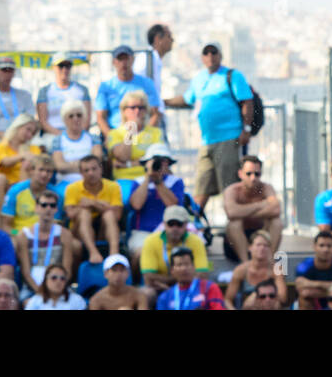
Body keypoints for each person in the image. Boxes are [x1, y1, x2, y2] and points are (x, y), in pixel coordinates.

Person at [167, 42, 252, 215]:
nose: (211, 56)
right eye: (207, 53)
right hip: (207, 140)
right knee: (202, 186)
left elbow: (247, 101)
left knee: (229, 189)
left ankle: (234, 229)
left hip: (228, 137)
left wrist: (247, 129)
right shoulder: (199, 79)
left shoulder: (232, 76)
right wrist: (162, 102)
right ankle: (195, 224)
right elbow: (186, 99)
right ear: (202, 58)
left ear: (220, 55)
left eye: (214, 52)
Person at [139, 206, 211, 301]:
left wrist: (175, 284)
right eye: (171, 224)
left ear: (186, 225)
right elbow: (148, 276)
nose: (175, 228)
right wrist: (178, 280)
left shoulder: (196, 241)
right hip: (161, 287)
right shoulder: (151, 240)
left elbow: (202, 274)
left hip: (188, 287)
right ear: (164, 224)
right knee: (146, 294)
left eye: (179, 224)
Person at [63, 154, 123, 264]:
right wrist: (100, 205)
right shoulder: (72, 188)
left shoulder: (113, 186)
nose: (91, 173)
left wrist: (92, 203)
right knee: (84, 213)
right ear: (81, 173)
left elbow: (117, 215)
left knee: (109, 215)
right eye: (86, 170)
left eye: (94, 169)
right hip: (79, 231)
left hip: (102, 230)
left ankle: (114, 254)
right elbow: (70, 214)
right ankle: (93, 252)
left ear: (101, 169)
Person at [127, 143, 184, 258]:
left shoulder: (175, 182)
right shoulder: (138, 182)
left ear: (168, 163)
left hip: (170, 233)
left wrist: (158, 182)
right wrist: (148, 178)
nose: (160, 164)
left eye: (163, 160)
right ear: (147, 162)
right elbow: (136, 205)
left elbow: (173, 207)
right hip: (142, 233)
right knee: (141, 254)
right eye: (155, 160)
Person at [223, 155, 283, 261]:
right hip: (235, 244)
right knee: (234, 224)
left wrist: (243, 212)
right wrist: (260, 205)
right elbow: (231, 213)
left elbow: (276, 210)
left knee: (277, 222)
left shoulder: (266, 188)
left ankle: (269, 261)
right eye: (249, 173)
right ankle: (245, 264)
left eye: (257, 174)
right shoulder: (232, 190)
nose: (253, 178)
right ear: (240, 174)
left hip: (261, 237)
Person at [95, 44, 160, 138]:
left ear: (132, 60)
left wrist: (145, 136)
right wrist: (111, 138)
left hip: (142, 133)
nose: (123, 63)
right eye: (120, 59)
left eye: (126, 59)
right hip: (115, 133)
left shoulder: (147, 83)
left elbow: (155, 114)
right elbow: (100, 117)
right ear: (114, 62)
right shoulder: (106, 87)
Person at [16, 188, 74, 293]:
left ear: (56, 209)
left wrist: (55, 290)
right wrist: (40, 292)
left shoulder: (65, 234)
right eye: (44, 205)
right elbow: (26, 272)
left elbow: (67, 270)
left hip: (58, 284)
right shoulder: (24, 235)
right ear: (36, 208)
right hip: (32, 287)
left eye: (52, 205)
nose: (48, 208)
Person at [0, 112, 43, 215]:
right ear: (18, 126)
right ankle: (0, 222)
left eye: (32, 133)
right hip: (7, 184)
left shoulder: (34, 149)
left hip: (27, 184)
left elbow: (39, 166)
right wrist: (22, 156)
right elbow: (4, 162)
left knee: (27, 166)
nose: (29, 135)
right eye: (28, 129)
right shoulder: (0, 146)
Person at [106, 91, 164, 179]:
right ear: (124, 110)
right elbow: (123, 156)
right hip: (125, 179)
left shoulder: (156, 132)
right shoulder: (114, 133)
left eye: (141, 107)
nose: (137, 111)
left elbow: (158, 161)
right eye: (133, 107)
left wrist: (128, 164)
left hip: (150, 178)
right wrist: (131, 131)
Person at [225, 229, 286, 309]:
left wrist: (260, 296)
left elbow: (283, 298)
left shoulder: (276, 269)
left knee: (275, 303)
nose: (262, 248)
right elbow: (227, 299)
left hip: (269, 307)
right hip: (248, 307)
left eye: (266, 245)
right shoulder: (241, 270)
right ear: (250, 247)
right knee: (250, 302)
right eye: (258, 245)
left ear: (270, 249)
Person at [36, 53, 92, 139]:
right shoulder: (45, 91)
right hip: (53, 135)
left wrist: (75, 136)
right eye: (61, 66)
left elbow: (87, 120)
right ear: (53, 67)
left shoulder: (82, 90)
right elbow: (43, 121)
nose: (64, 69)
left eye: (68, 66)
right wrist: (63, 136)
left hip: (79, 135)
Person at [295, 231, 332, 310]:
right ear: (314, 247)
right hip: (314, 304)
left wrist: (314, 287)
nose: (325, 249)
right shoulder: (304, 266)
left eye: (329, 246)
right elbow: (301, 288)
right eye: (321, 245)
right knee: (304, 299)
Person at [156, 246, 226, 310]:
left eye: (187, 264)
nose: (184, 268)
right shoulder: (165, 297)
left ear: (194, 267)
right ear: (172, 270)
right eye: (179, 265)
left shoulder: (209, 287)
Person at [50, 99, 101, 184]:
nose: (75, 118)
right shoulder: (58, 140)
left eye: (79, 115)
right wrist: (85, 167)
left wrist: (70, 165)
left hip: (90, 184)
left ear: (84, 117)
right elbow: (60, 167)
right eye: (71, 116)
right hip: (65, 184)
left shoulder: (93, 138)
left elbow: (96, 162)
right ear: (64, 119)